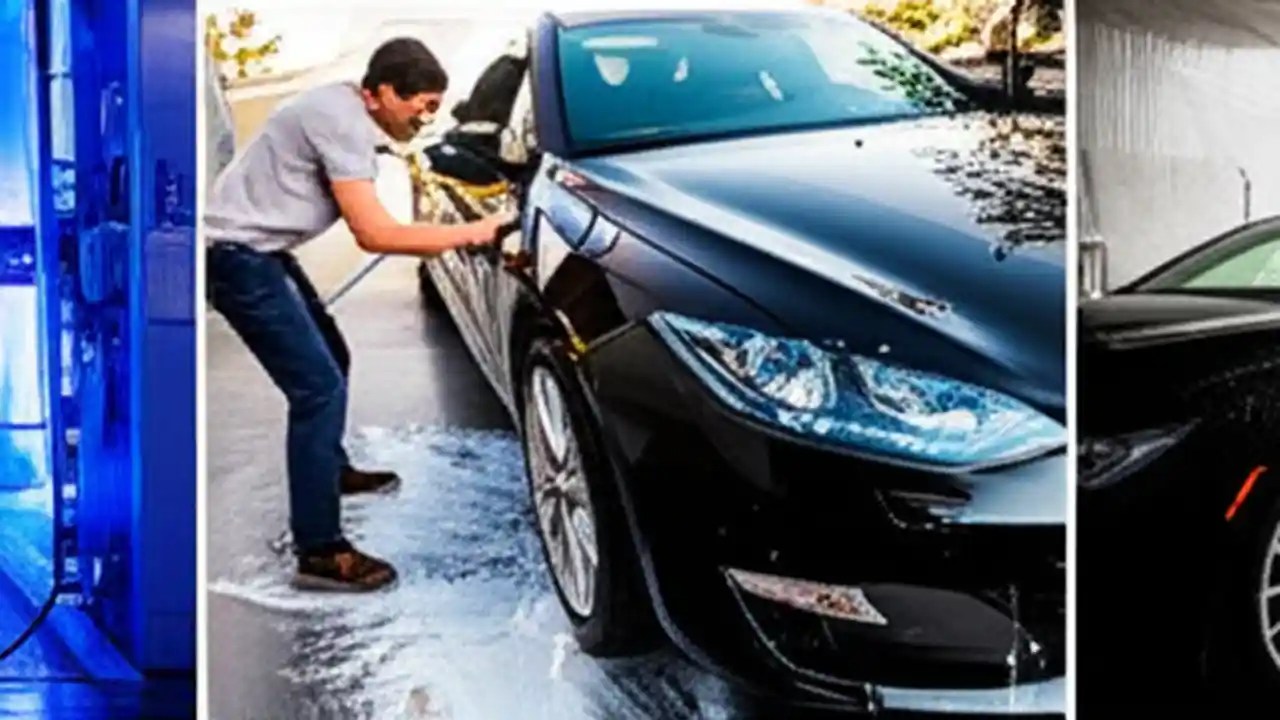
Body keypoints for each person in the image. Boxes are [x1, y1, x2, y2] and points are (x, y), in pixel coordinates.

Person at [205, 37, 513, 592]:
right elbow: (374, 234)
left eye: (434, 107)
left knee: (332, 356)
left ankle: (330, 470)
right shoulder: (341, 122)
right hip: (237, 258)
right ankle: (320, 551)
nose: (426, 116)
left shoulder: (344, 108)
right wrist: (473, 232)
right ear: (380, 94)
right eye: (419, 104)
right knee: (316, 388)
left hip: (259, 252)